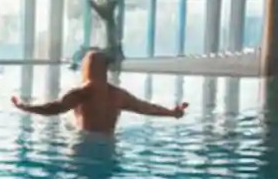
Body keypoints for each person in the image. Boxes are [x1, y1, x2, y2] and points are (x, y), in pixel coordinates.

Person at [11, 50, 187, 134]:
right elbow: (145, 108)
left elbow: (55, 108)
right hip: (109, 146)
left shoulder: (82, 92)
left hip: (84, 144)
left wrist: (26, 107)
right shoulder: (118, 94)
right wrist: (172, 113)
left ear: (86, 68)